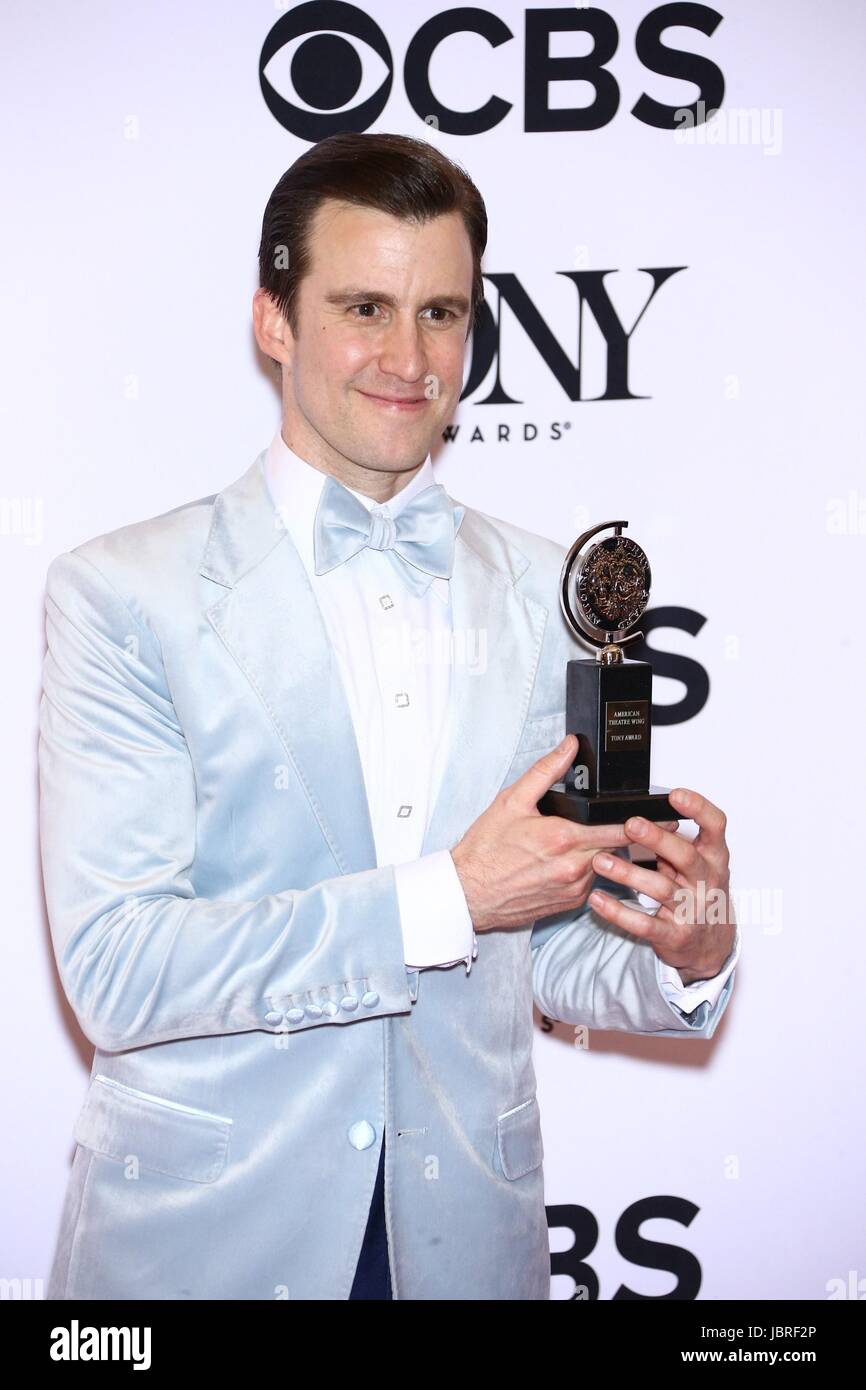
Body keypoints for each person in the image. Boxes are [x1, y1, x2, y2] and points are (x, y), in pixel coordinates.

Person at [38, 132, 740, 1301]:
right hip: (204, 1241)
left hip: (463, 1238)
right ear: (274, 319)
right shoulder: (124, 593)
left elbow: (541, 945)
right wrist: (445, 896)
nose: (408, 357)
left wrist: (686, 953)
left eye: (441, 313)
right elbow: (120, 967)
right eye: (364, 305)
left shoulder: (548, 590)